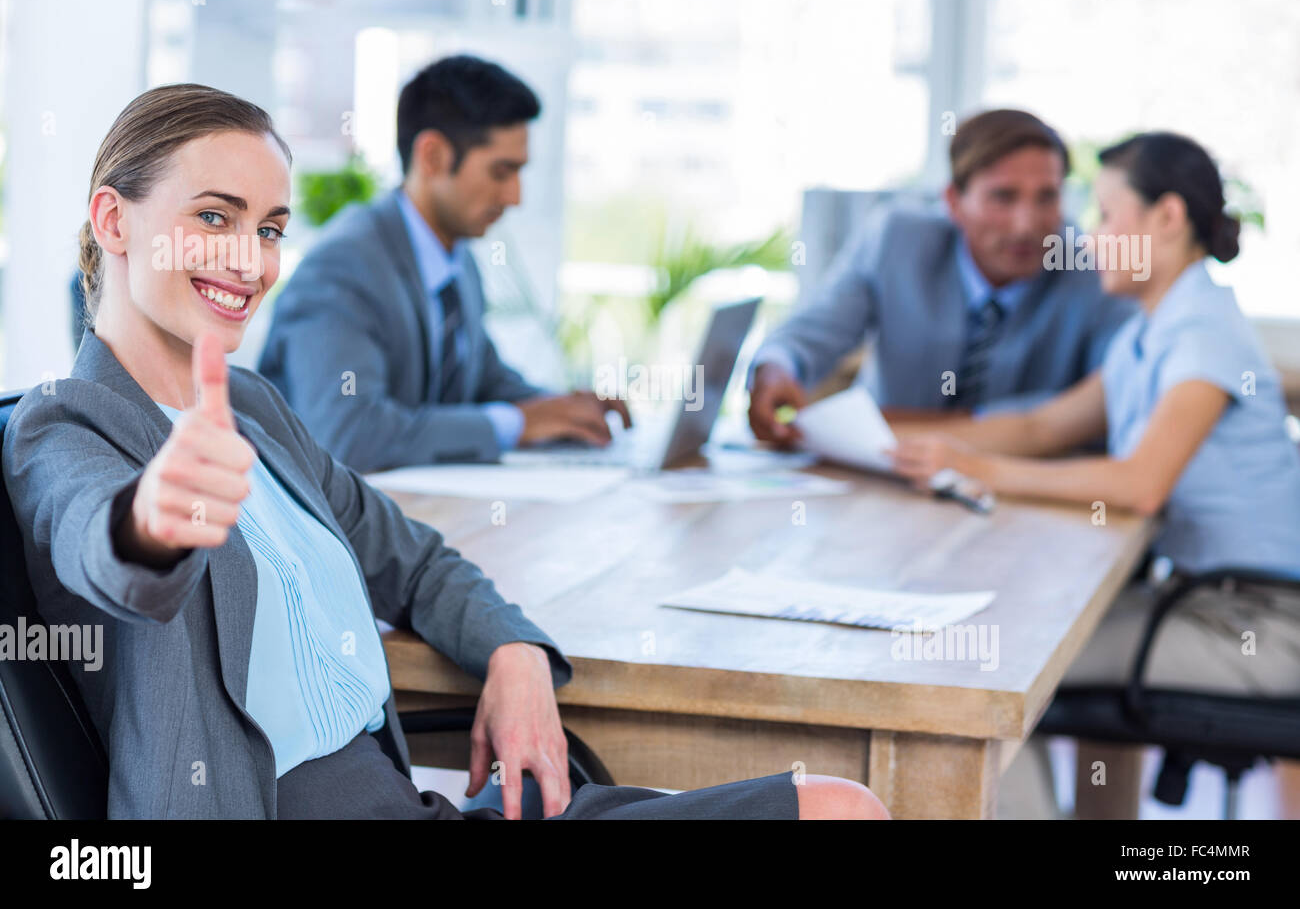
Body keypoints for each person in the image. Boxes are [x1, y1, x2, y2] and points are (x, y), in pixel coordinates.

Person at [2, 83, 887, 820]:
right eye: (214, 216)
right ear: (113, 222)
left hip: (412, 807)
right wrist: (155, 521)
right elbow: (103, 548)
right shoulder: (64, 424)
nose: (250, 259)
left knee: (841, 807)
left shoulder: (256, 411)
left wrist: (514, 652)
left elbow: (413, 559)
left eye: (269, 228)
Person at [890, 131, 1300, 818]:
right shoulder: (1155, 327)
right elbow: (1044, 428)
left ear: (1166, 218)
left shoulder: (1201, 331)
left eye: (1107, 216)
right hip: (1208, 602)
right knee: (1006, 636)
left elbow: (1141, 483)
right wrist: (891, 439)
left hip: (1258, 625)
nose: (1088, 237)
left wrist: (979, 469)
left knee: (988, 662)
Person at [258, 55, 629, 473]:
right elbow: (349, 432)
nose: (515, 197)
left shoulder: (455, 262)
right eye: (502, 172)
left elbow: (484, 382)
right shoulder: (344, 268)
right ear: (432, 156)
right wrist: (521, 422)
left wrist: (564, 409)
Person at [748, 109, 1136, 446]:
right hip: (881, 469)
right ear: (953, 201)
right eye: (1003, 197)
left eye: (1046, 197)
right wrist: (776, 368)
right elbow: (813, 331)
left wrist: (951, 426)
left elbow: (1116, 393)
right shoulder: (897, 241)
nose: (1026, 225)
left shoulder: (1092, 268)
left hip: (1019, 488)